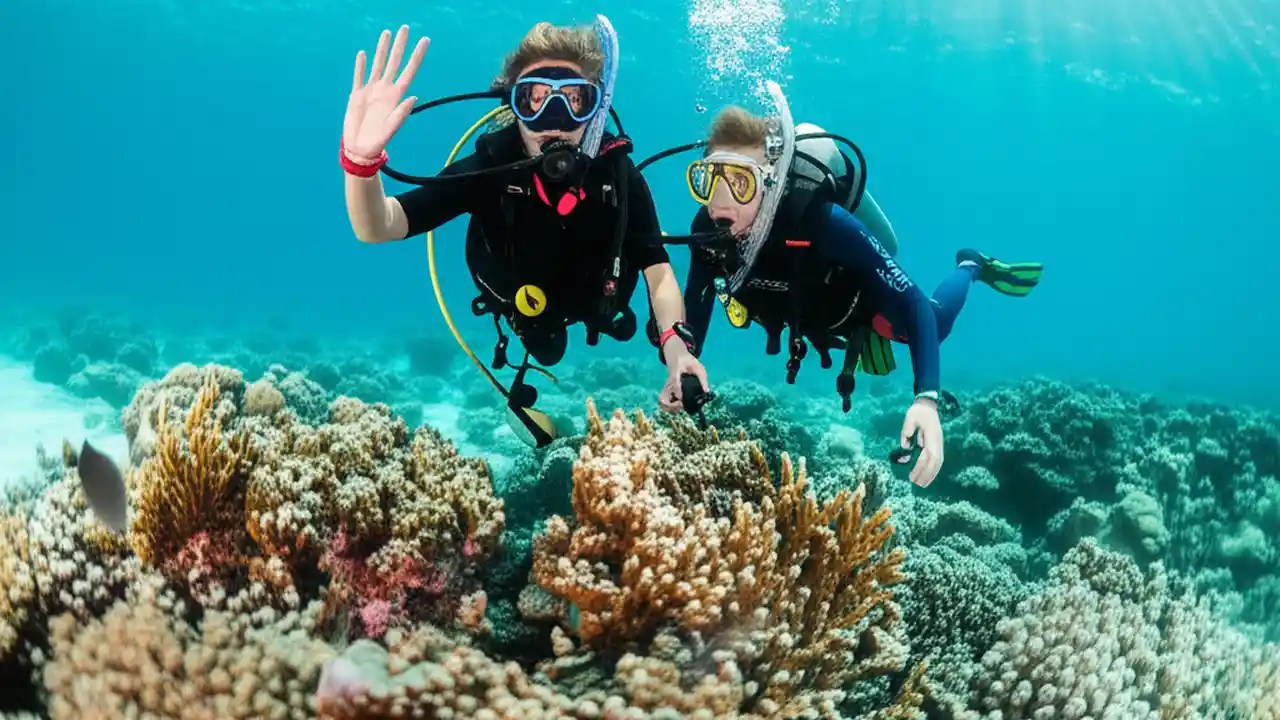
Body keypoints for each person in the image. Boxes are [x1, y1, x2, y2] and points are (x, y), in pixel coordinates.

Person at [641, 81, 1043, 487]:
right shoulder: (706, 233)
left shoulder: (818, 220)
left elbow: (914, 302)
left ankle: (970, 265)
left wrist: (927, 397)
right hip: (795, 314)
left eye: (741, 181)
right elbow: (695, 309)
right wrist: (682, 362)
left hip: (852, 306)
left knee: (933, 326)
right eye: (709, 180)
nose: (721, 202)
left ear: (769, 182)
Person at [338, 21, 710, 447]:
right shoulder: (490, 169)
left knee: (587, 324)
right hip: (521, 300)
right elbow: (378, 225)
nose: (555, 121)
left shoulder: (616, 174)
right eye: (534, 99)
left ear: (596, 108)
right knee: (546, 347)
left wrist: (676, 348)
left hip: (592, 297)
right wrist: (360, 164)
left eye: (574, 100)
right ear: (512, 104)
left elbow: (656, 268)